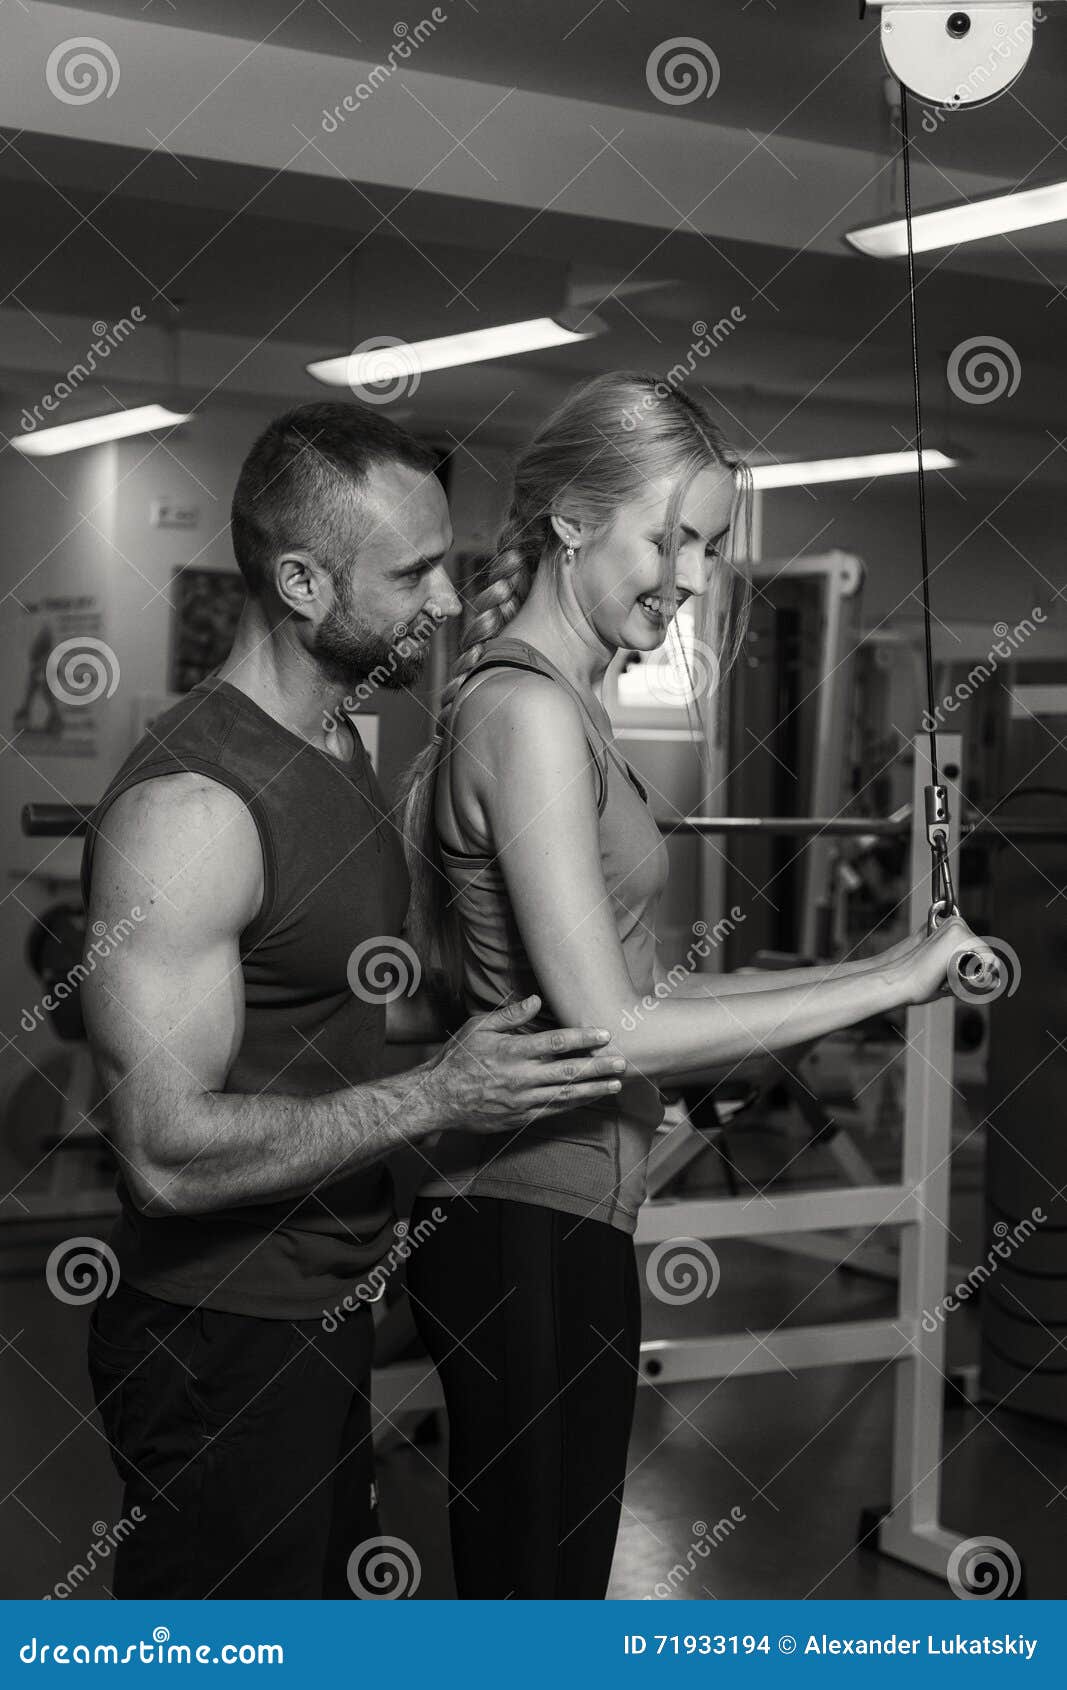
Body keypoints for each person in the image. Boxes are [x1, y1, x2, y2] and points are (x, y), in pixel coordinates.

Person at [399, 370, 996, 1600]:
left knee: (554, 1586)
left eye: (708, 545)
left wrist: (891, 965)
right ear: (569, 517)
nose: (685, 575)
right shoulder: (524, 713)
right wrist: (881, 988)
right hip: (519, 1211)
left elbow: (633, 987)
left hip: (568, 1213)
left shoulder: (565, 707)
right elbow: (610, 1026)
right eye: (665, 536)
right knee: (530, 1602)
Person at [78, 401, 627, 1599]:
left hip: (325, 1312)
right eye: (414, 572)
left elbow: (334, 1019)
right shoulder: (191, 811)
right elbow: (165, 1156)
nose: (443, 603)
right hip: (218, 1336)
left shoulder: (340, 745)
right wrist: (437, 1093)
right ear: (300, 582)